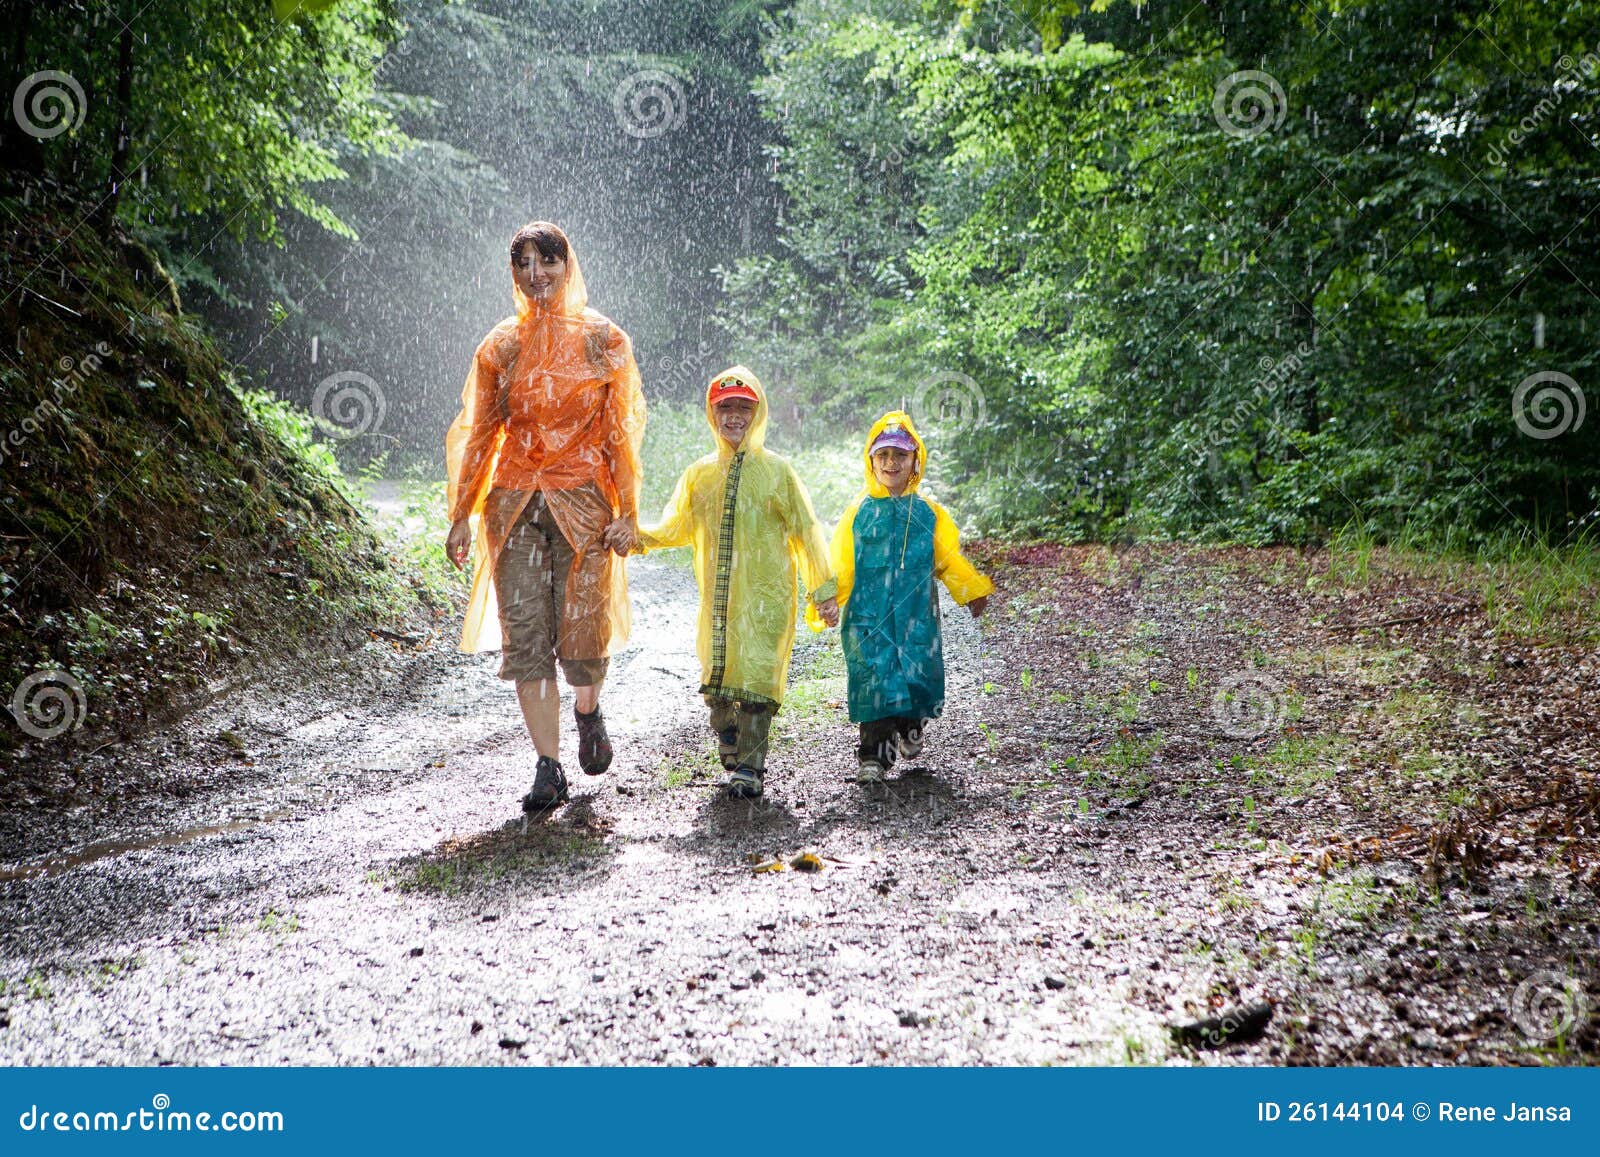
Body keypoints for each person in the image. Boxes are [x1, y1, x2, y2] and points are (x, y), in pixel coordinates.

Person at [444, 221, 645, 814]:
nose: (536, 276)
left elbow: (619, 434)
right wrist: (461, 513)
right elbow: (480, 433)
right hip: (513, 504)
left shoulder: (603, 340)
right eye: (524, 264)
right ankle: (548, 768)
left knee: (583, 637)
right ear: (513, 274)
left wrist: (628, 511)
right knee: (527, 639)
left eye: (547, 262)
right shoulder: (499, 347)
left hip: (583, 501)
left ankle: (588, 710)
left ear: (567, 265)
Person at [629, 367, 838, 800]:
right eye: (726, 408)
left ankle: (751, 767)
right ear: (713, 413)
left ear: (757, 414)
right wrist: (635, 535)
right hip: (720, 603)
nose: (734, 417)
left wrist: (823, 591)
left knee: (759, 682)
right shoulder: (699, 475)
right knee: (717, 682)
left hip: (767, 599)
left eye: (744, 408)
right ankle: (727, 731)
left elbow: (807, 530)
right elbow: (675, 527)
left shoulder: (778, 472)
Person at [814, 410, 992, 784]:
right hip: (868, 620)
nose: (891, 463)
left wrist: (971, 590)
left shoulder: (929, 514)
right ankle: (873, 758)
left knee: (916, 680)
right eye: (883, 456)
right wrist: (826, 598)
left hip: (916, 622)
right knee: (874, 684)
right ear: (872, 461)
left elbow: (948, 559)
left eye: (900, 455)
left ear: (915, 461)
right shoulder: (858, 514)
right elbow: (839, 565)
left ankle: (911, 727)